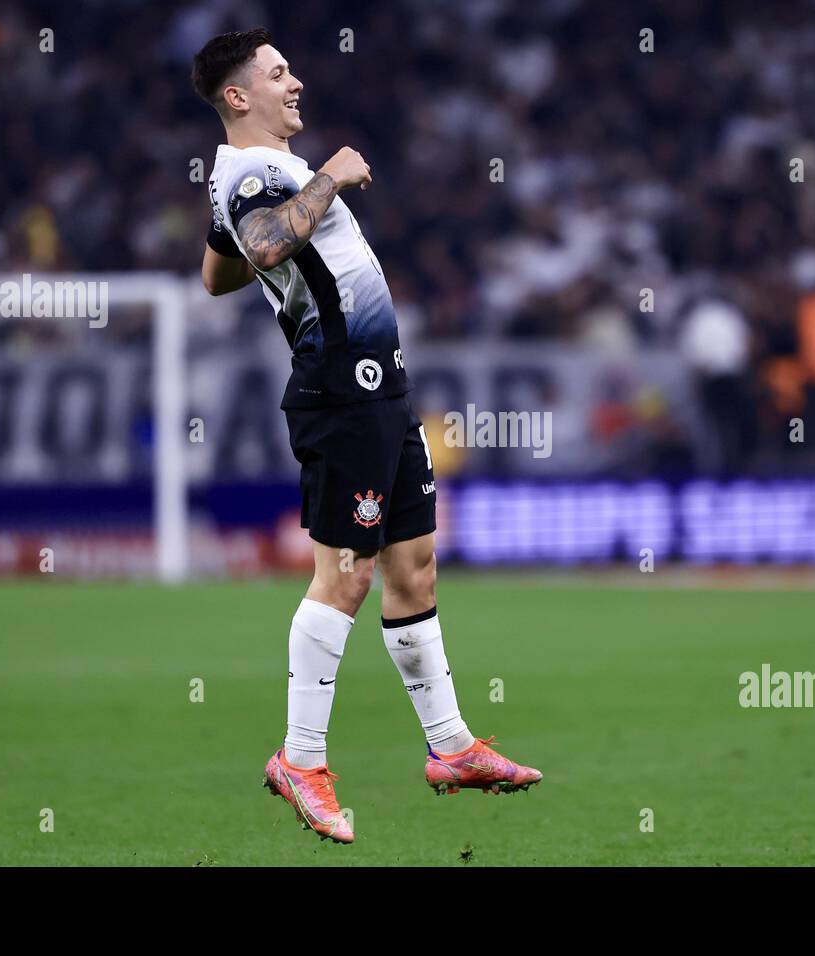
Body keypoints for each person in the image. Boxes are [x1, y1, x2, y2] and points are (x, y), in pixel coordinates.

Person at [190, 28, 541, 845]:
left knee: (413, 569)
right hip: (338, 393)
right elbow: (269, 242)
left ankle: (451, 746)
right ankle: (299, 759)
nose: (296, 82)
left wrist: (268, 225)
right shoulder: (255, 173)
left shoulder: (240, 179)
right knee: (345, 577)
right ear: (238, 96)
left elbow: (219, 273)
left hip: (381, 388)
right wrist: (331, 177)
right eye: (279, 74)